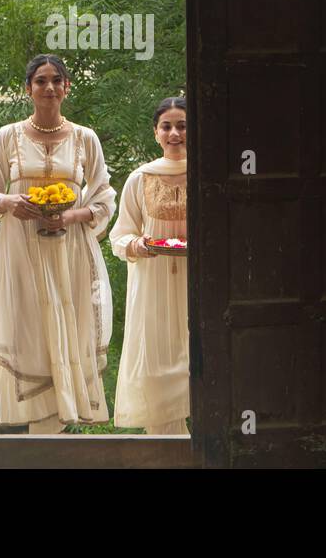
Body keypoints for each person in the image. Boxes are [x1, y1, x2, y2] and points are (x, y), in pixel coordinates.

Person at [0, 54, 117, 432]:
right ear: (28, 89)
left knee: (69, 325)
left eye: (57, 80)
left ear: (66, 88)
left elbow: (104, 197)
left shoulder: (86, 138)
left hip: (69, 250)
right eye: (41, 81)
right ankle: (39, 434)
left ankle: (58, 428)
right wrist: (7, 202)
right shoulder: (8, 136)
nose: (49, 87)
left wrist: (71, 216)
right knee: (30, 329)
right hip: (21, 249)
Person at [109, 96, 189, 435]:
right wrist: (137, 244)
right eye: (167, 126)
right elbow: (119, 235)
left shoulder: (208, 174)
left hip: (196, 282)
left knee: (198, 358)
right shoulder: (139, 179)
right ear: (155, 133)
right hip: (152, 285)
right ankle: (164, 447)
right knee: (155, 363)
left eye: (182, 126)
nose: (175, 133)